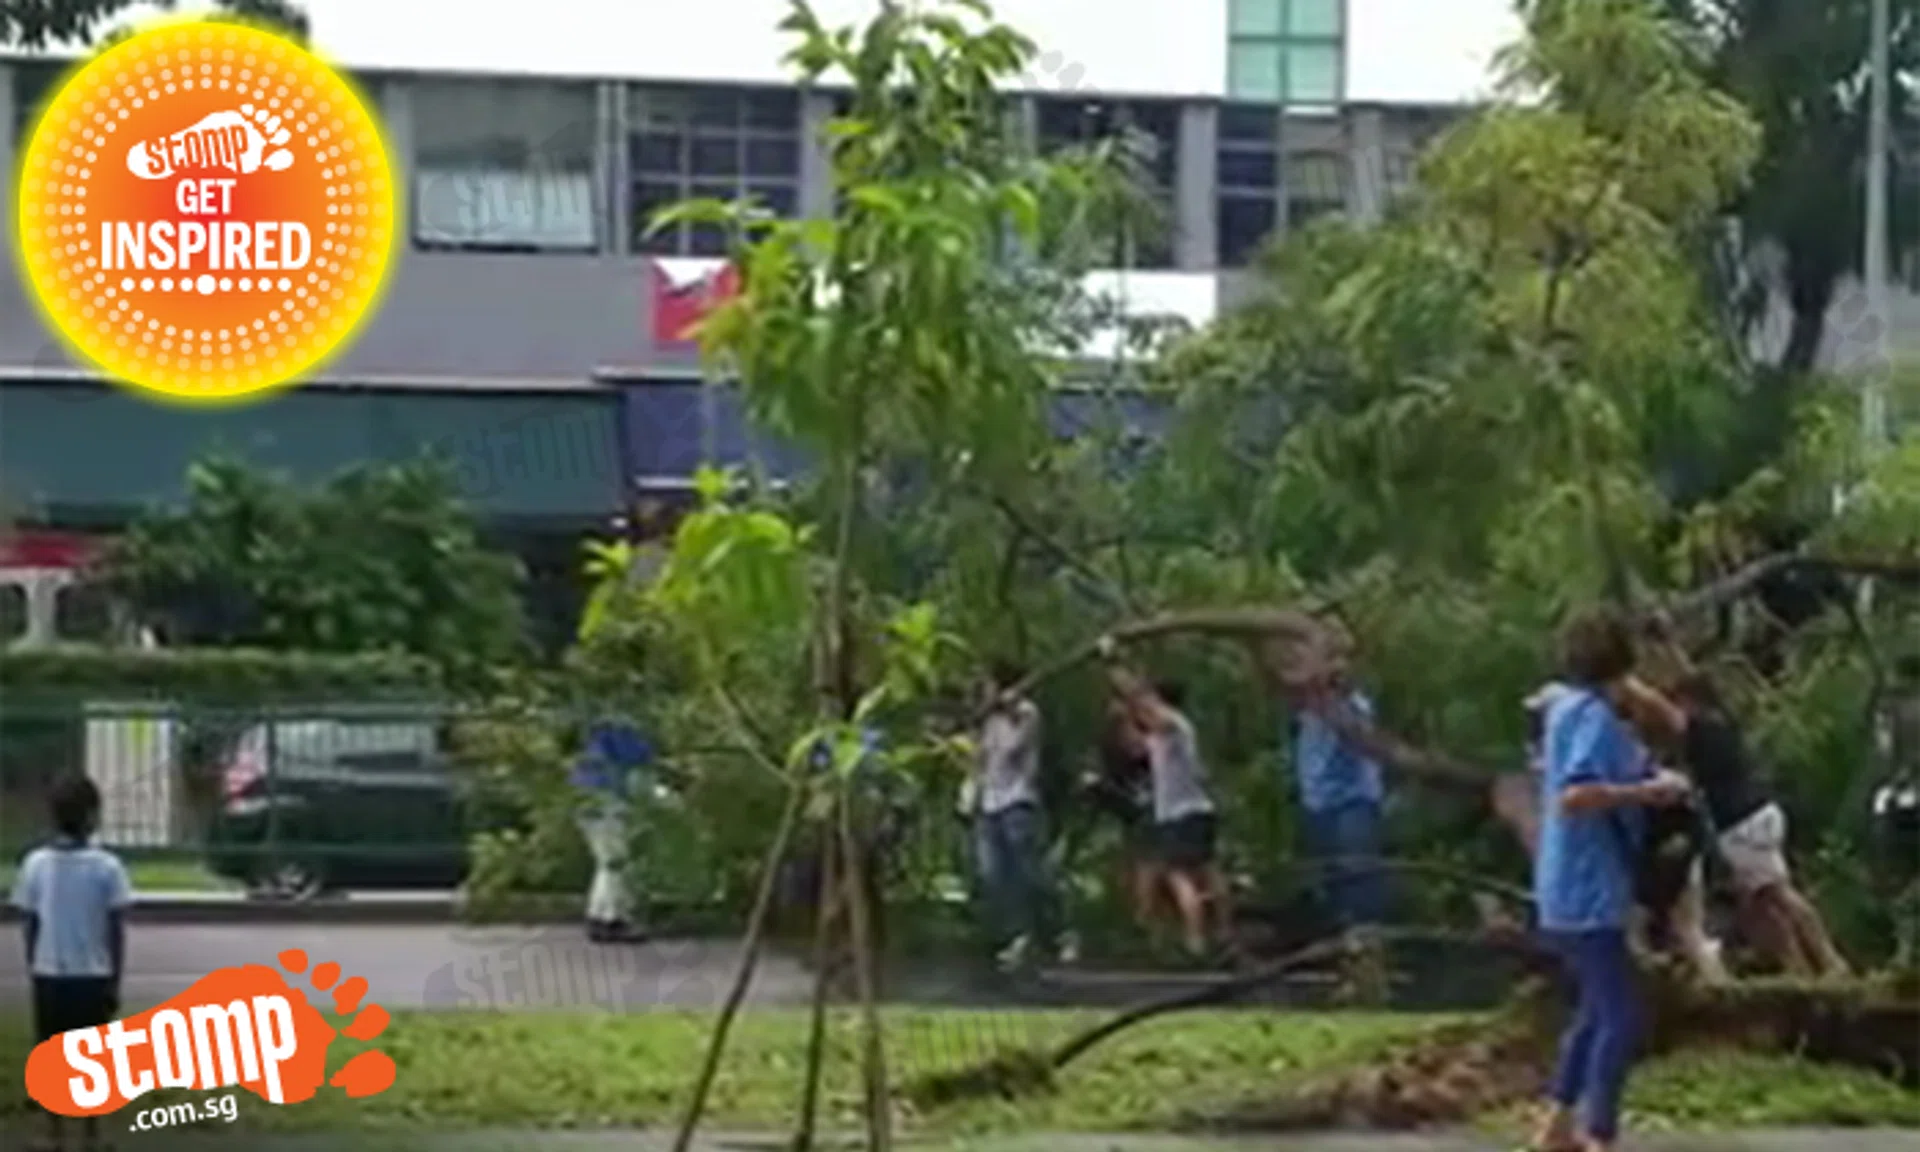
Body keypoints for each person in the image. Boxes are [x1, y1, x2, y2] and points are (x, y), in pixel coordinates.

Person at [1531, 607, 1694, 1152]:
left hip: (1570, 885)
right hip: (1587, 888)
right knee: (1623, 1017)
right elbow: (1576, 795)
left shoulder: (1567, 710)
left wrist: (1649, 778)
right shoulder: (1593, 718)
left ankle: (1557, 1124)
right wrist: (1646, 793)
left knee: (1594, 1009)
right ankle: (1601, 1133)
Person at [1617, 672, 1849, 978]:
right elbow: (1686, 673)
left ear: (1688, 702)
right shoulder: (1723, 721)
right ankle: (1799, 967)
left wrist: (1622, 677)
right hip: (1757, 812)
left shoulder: (1699, 728)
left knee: (1777, 894)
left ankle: (1829, 960)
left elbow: (1659, 707)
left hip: (1741, 821)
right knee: (1759, 901)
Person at [12, 775, 131, 1152]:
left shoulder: (36, 864)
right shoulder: (108, 867)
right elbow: (116, 929)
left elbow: (30, 923)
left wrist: (34, 962)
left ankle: (54, 1135)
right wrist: (115, 977)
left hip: (50, 972)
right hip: (93, 974)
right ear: (93, 816)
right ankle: (91, 1136)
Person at [1099, 638, 1231, 960]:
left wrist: (1113, 663)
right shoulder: (1162, 736)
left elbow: (1140, 699)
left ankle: (1197, 940)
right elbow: (1134, 743)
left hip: (1184, 813)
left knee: (1180, 875)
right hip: (1187, 811)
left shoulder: (1176, 726)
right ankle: (1221, 932)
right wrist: (1124, 714)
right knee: (1206, 870)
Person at [972, 661, 1074, 971]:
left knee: (1029, 872)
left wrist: (1009, 709)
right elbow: (982, 759)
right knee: (994, 875)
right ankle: (1016, 936)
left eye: (988, 683)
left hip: (1018, 801)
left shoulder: (1027, 713)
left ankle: (1059, 932)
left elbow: (1016, 746)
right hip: (989, 804)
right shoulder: (988, 719)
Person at [1288, 638, 1389, 934]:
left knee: (1358, 872)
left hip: (1352, 802)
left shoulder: (1353, 706)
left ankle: (1368, 943)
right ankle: (1342, 943)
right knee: (1330, 876)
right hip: (1318, 803)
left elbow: (1351, 733)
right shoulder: (1307, 711)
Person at [572, 719, 654, 943]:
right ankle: (612, 919)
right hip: (606, 799)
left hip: (587, 798)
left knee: (606, 861)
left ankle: (599, 916)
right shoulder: (622, 730)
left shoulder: (600, 734)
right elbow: (640, 756)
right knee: (615, 862)